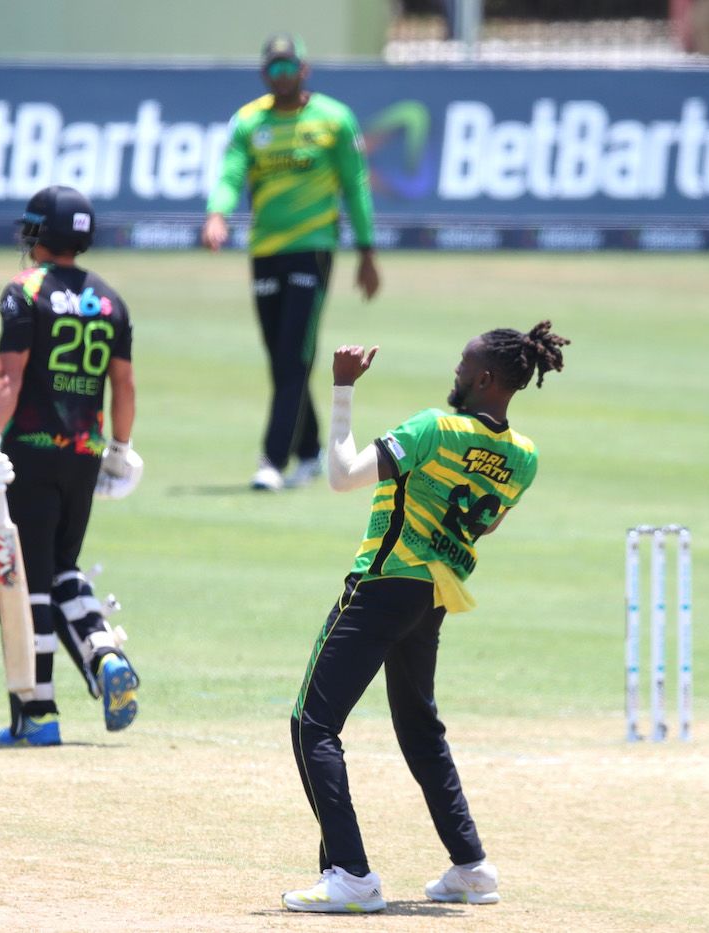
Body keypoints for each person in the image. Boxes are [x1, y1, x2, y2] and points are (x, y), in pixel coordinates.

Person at [282, 323, 571, 913]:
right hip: (433, 596)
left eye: (463, 365)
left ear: (485, 377)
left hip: (385, 583)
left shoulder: (431, 427)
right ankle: (471, 867)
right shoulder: (525, 455)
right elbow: (485, 525)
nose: (456, 373)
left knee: (312, 724)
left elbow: (341, 475)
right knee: (418, 728)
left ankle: (351, 877)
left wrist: (341, 390)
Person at [0, 185, 143, 747]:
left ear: (39, 234)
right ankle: (103, 652)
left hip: (29, 455)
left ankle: (37, 712)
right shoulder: (111, 300)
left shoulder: (25, 291)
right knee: (63, 567)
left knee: (22, 581)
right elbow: (124, 383)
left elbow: (8, 374)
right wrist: (121, 446)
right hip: (84, 456)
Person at [202, 33, 380, 492]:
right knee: (283, 359)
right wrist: (217, 214)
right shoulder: (248, 122)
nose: (282, 75)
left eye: (289, 67)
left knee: (292, 354)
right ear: (265, 73)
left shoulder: (334, 119)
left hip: (314, 248)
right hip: (265, 250)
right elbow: (230, 174)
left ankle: (272, 460)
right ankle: (311, 450)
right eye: (273, 68)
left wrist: (367, 252)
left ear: (305, 69)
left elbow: (355, 185)